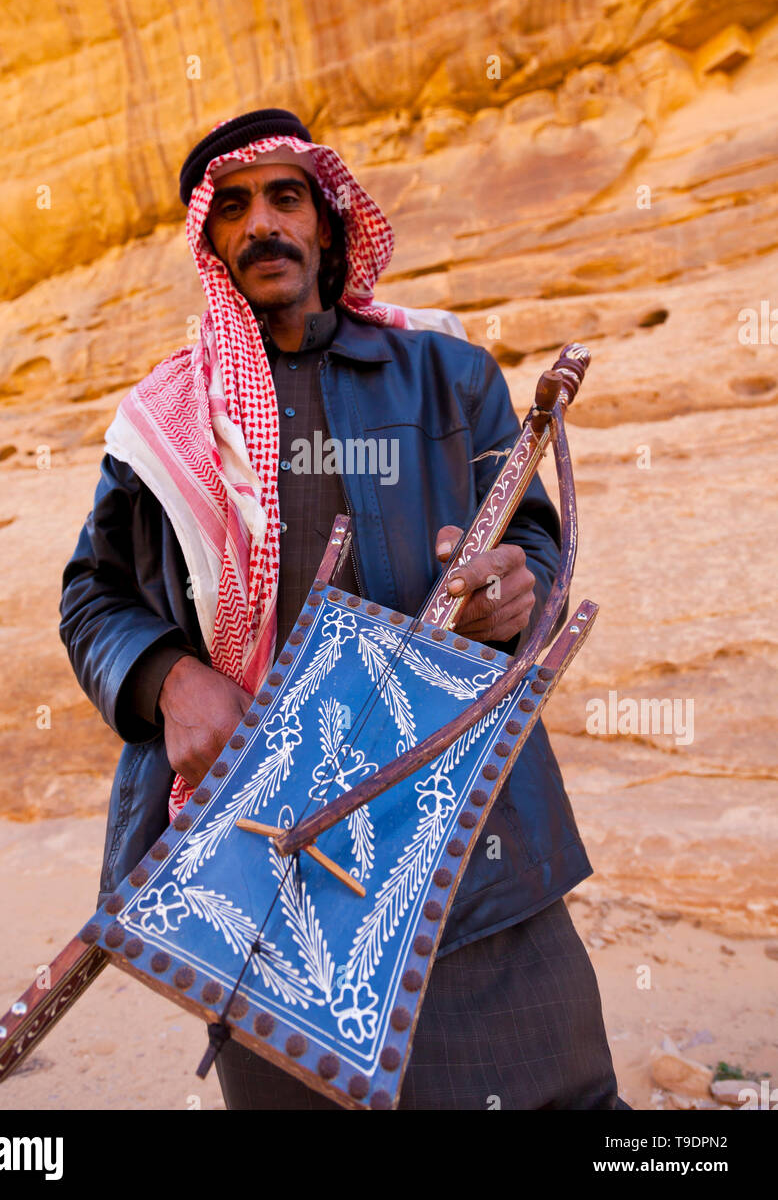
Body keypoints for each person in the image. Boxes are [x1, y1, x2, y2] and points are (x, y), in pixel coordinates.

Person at [59, 108, 628, 1110]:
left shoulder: (444, 371)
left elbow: (532, 540)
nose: (260, 224)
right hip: (263, 847)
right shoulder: (163, 425)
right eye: (231, 207)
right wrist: (167, 678)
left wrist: (513, 593)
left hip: (461, 821)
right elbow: (92, 594)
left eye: (284, 197)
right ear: (208, 238)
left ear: (326, 220)